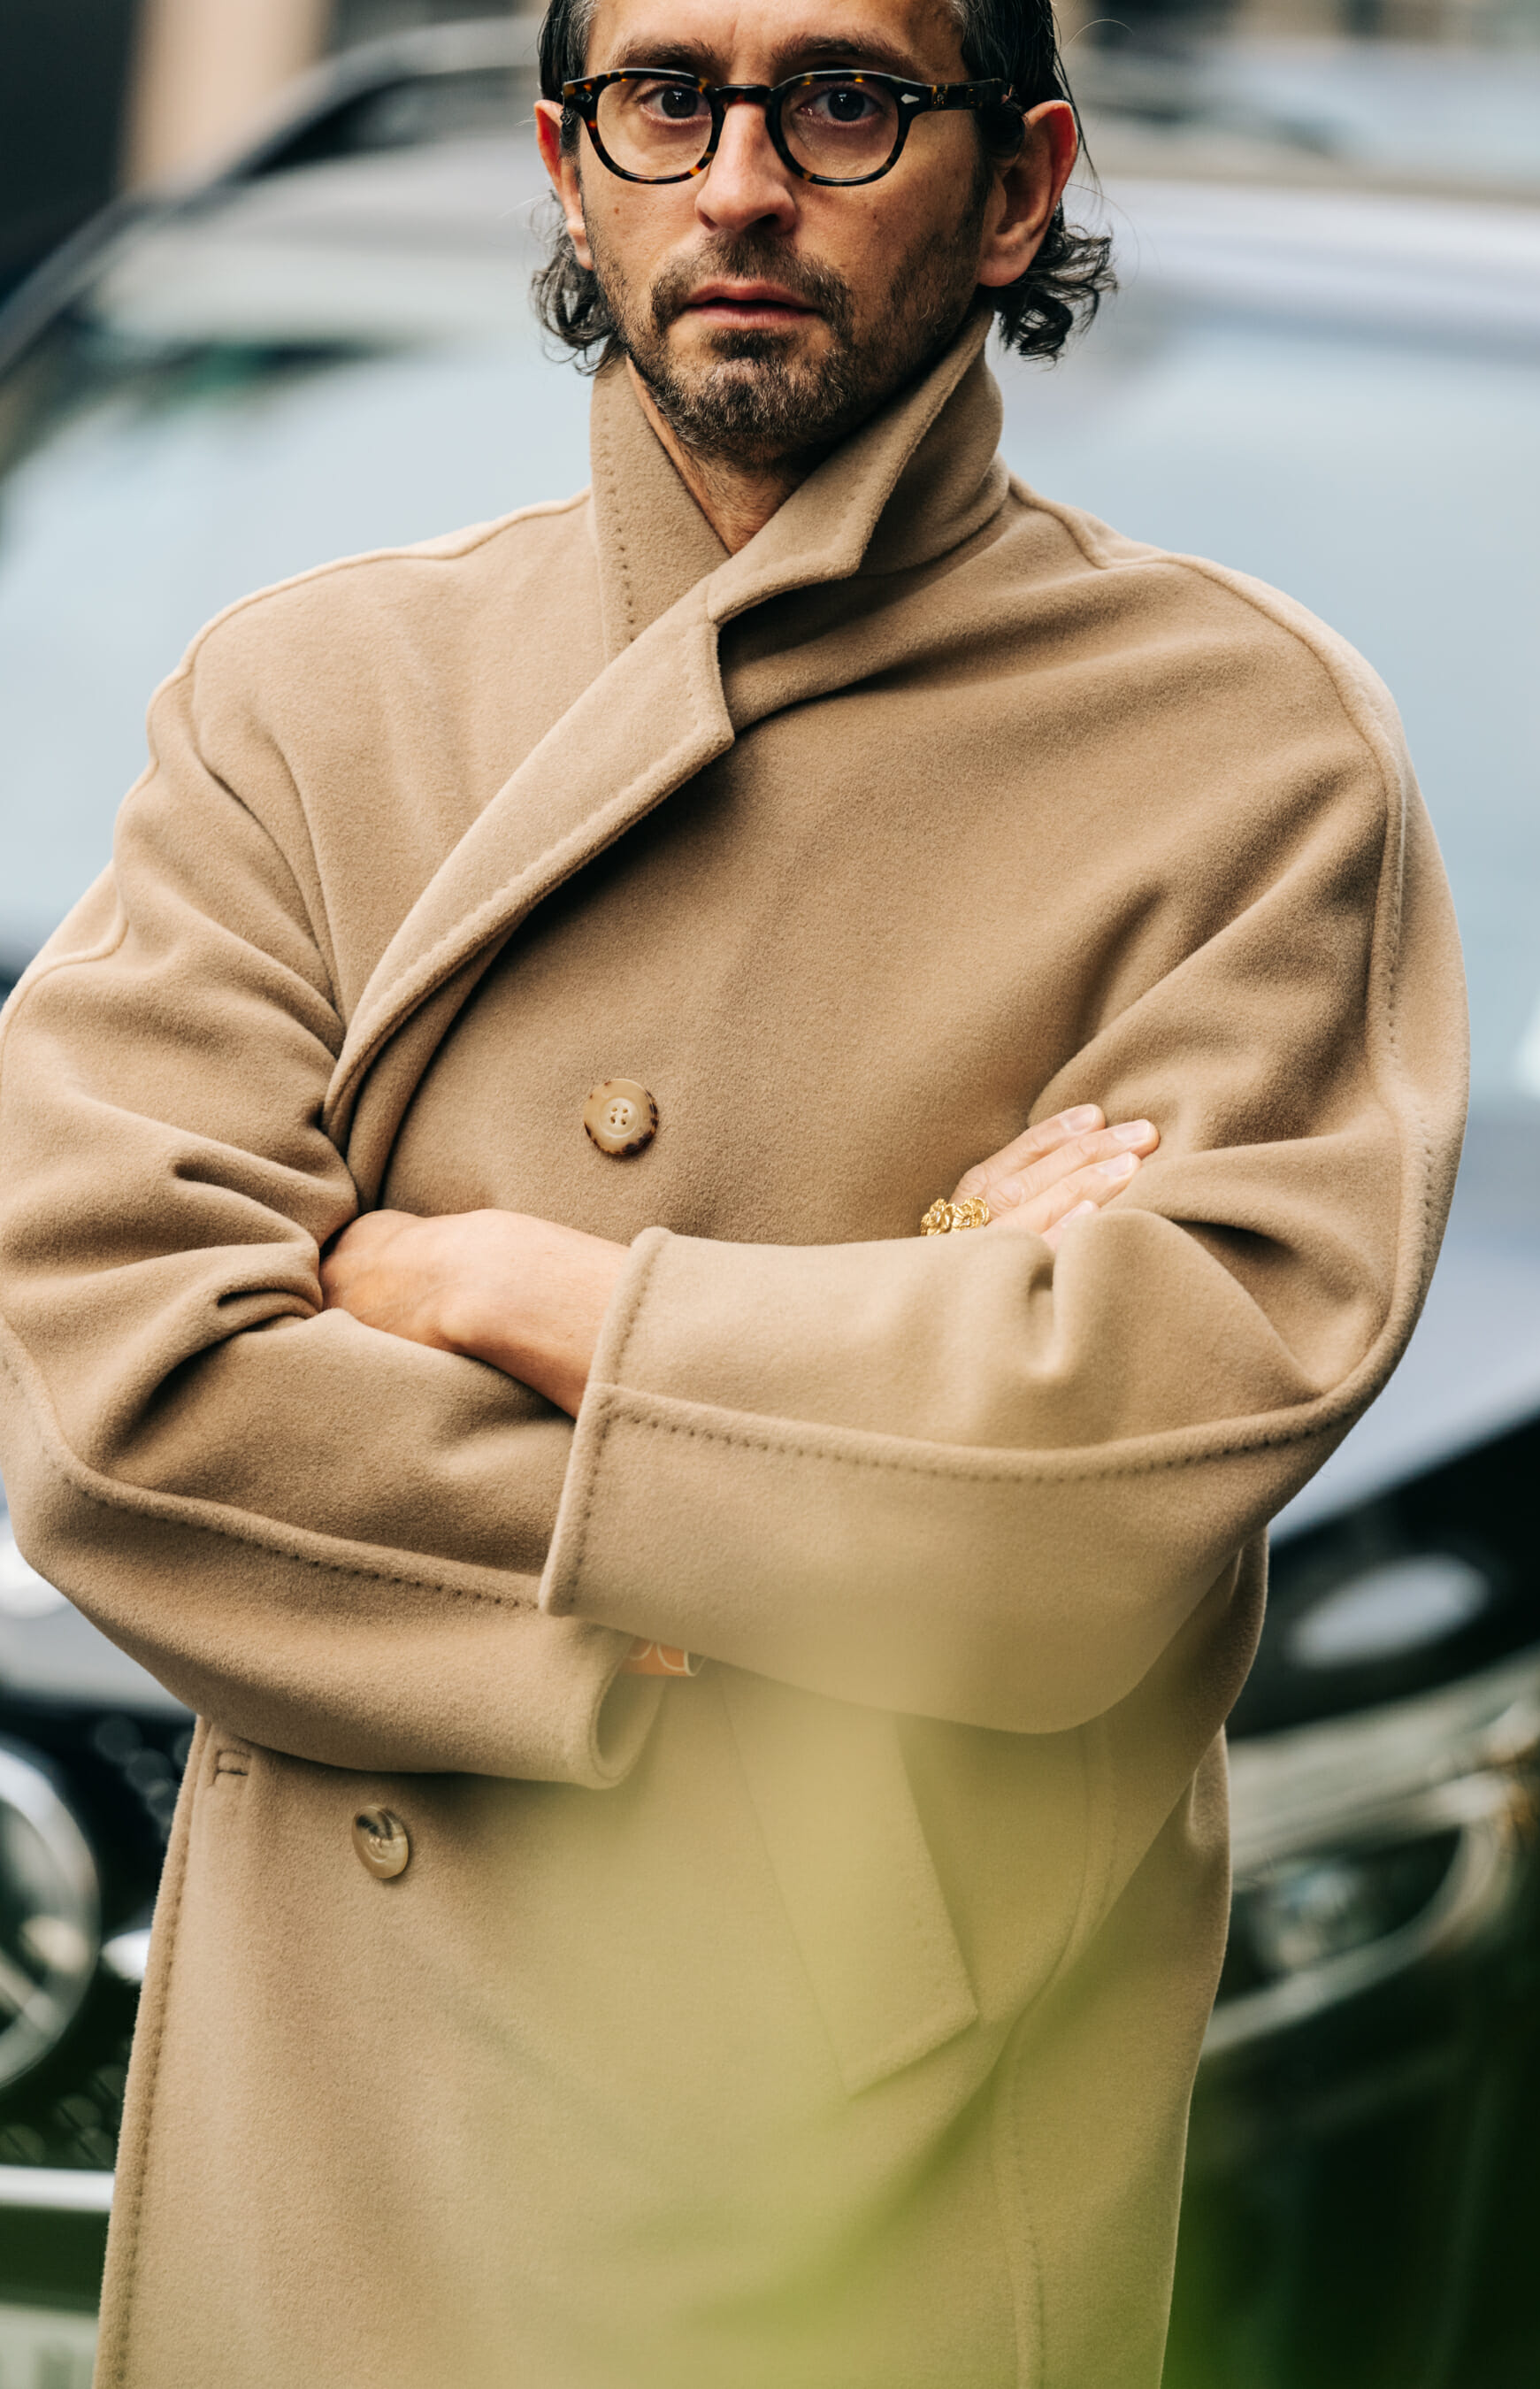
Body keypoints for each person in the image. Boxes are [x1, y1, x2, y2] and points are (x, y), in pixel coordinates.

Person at [0, 0, 1466, 2382]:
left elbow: (1101, 1485)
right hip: (334, 2141)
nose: (747, 180)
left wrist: (508, 1287)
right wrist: (856, 1397)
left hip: (858, 2150)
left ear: (1019, 182)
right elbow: (121, 1401)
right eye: (668, 97)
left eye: (848, 97)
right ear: (568, 168)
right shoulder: (303, 701)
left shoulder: (1244, 752)